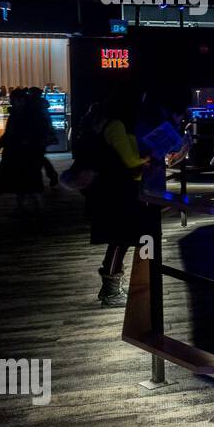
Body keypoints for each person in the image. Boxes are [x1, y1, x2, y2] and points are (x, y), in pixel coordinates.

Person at [84, 85, 153, 306]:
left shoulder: (112, 123)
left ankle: (113, 288)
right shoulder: (116, 126)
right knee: (119, 238)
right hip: (118, 191)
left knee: (121, 237)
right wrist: (148, 160)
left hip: (115, 189)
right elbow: (130, 160)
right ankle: (110, 291)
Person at [0, 88, 49, 214]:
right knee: (24, 181)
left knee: (29, 181)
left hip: (27, 153)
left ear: (21, 100)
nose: (11, 102)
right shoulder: (27, 113)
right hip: (22, 153)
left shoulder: (27, 115)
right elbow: (9, 134)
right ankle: (27, 207)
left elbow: (10, 134)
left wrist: (28, 142)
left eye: (13, 100)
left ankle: (36, 209)